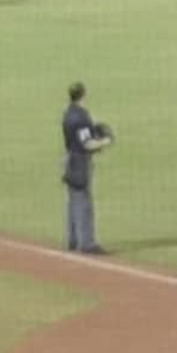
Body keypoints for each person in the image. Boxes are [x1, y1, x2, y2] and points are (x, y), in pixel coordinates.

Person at [61, 82, 115, 254]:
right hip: (80, 162)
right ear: (83, 95)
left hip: (69, 159)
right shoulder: (81, 117)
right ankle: (87, 243)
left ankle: (73, 239)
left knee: (72, 201)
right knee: (83, 202)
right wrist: (105, 142)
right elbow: (87, 143)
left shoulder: (68, 113)